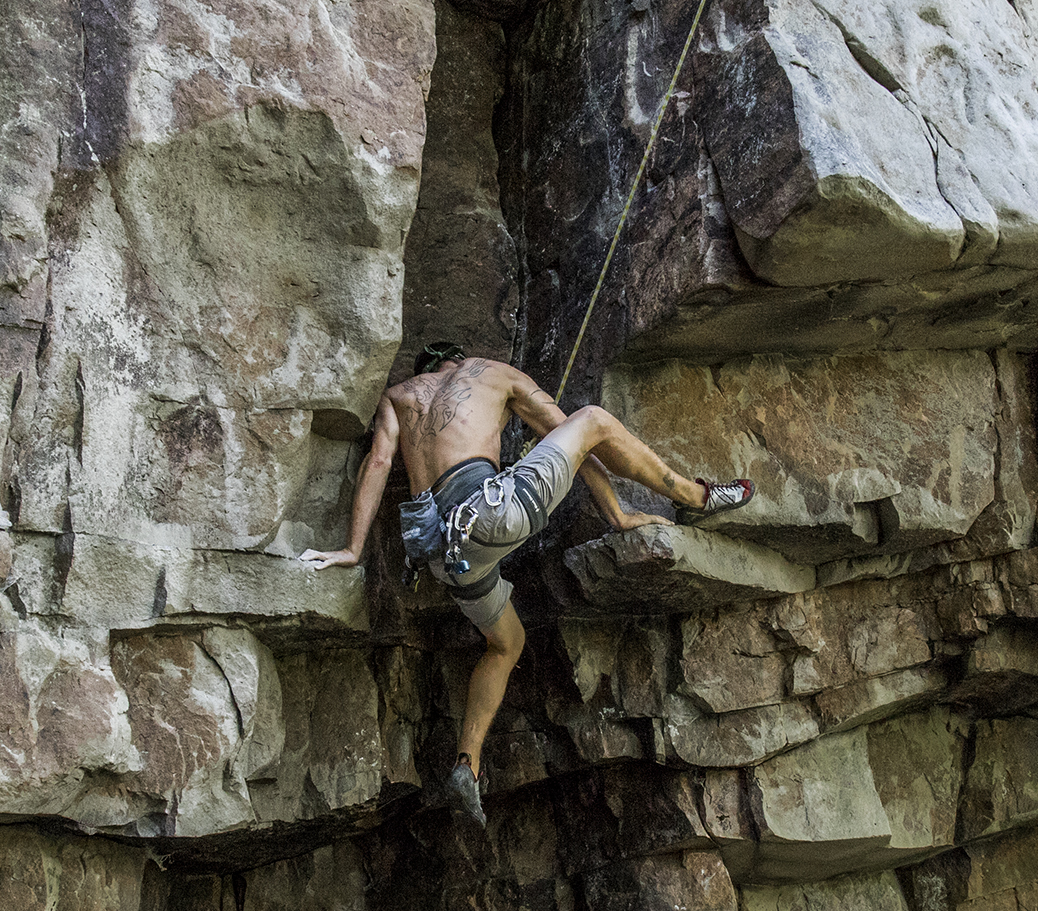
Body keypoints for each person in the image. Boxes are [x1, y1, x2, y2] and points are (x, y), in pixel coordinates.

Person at [299, 342, 752, 824]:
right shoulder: (491, 372)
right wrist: (616, 514)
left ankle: (466, 767)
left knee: (505, 643)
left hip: (442, 555)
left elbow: (378, 464)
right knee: (594, 418)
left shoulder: (397, 397)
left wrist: (352, 550)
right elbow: (576, 437)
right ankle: (697, 496)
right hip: (495, 515)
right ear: (458, 359)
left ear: (425, 369)